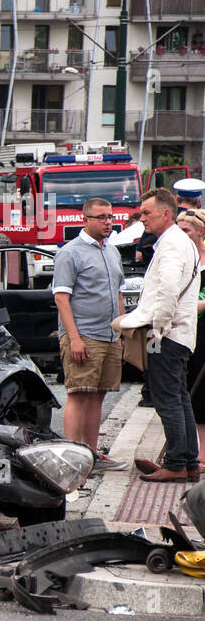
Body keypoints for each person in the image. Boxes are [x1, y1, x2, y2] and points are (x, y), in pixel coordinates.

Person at [119, 188, 201, 483]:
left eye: (146, 213)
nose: (141, 219)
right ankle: (188, 461)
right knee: (178, 397)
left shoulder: (171, 244)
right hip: (176, 334)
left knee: (166, 398)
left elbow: (167, 291)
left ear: (166, 213)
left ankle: (177, 462)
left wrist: (156, 331)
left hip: (165, 335)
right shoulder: (177, 241)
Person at [51, 198, 125, 470]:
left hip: (109, 335)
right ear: (85, 220)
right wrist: (74, 338)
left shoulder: (111, 251)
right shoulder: (70, 252)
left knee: (99, 394)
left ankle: (91, 455)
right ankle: (72, 459)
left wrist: (121, 329)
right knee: (79, 393)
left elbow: (117, 291)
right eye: (102, 217)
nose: (108, 221)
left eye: (110, 216)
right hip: (84, 334)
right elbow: (61, 298)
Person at [179, 209, 205, 471]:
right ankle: (191, 451)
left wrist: (200, 304)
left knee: (202, 391)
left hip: (203, 328)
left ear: (201, 232)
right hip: (185, 331)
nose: (181, 235)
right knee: (186, 391)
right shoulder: (182, 259)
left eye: (186, 230)